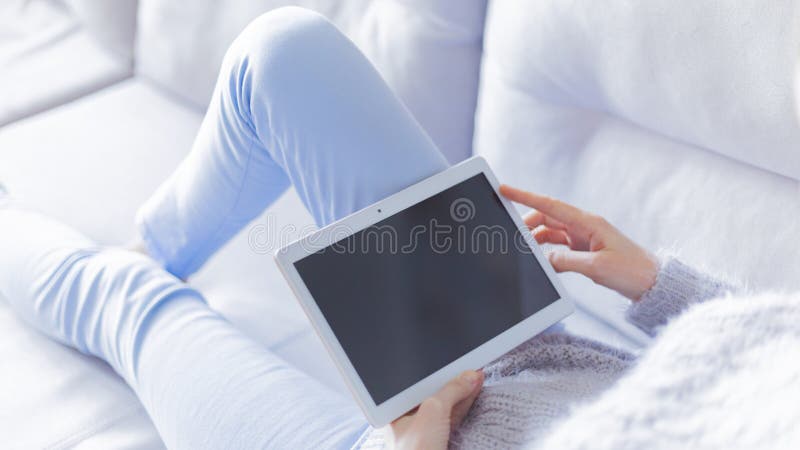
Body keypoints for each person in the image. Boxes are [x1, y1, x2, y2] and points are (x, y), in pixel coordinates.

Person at [6, 7, 792, 450]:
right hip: (525, 347)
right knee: (283, 55)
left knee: (122, 298)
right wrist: (661, 284)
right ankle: (162, 243)